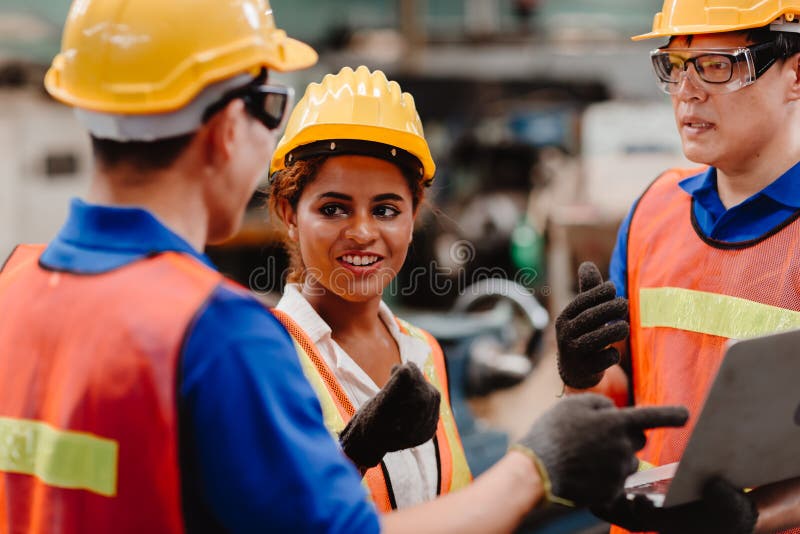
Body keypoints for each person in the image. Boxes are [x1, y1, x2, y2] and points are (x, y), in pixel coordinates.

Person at [0, 0, 689, 531]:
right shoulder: (214, 334)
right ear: (229, 128)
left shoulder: (16, 286)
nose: (362, 232)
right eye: (269, 109)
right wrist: (534, 466)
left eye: (387, 209)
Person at [555, 1, 800, 532]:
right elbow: (619, 399)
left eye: (716, 65)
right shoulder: (653, 213)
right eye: (675, 66)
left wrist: (751, 519)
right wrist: (581, 377)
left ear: (796, 74)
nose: (688, 91)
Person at [267, 66, 472, 510]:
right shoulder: (266, 355)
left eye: (385, 209)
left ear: (413, 216)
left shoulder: (426, 353)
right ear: (289, 213)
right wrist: (350, 458)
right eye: (334, 208)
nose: (362, 232)